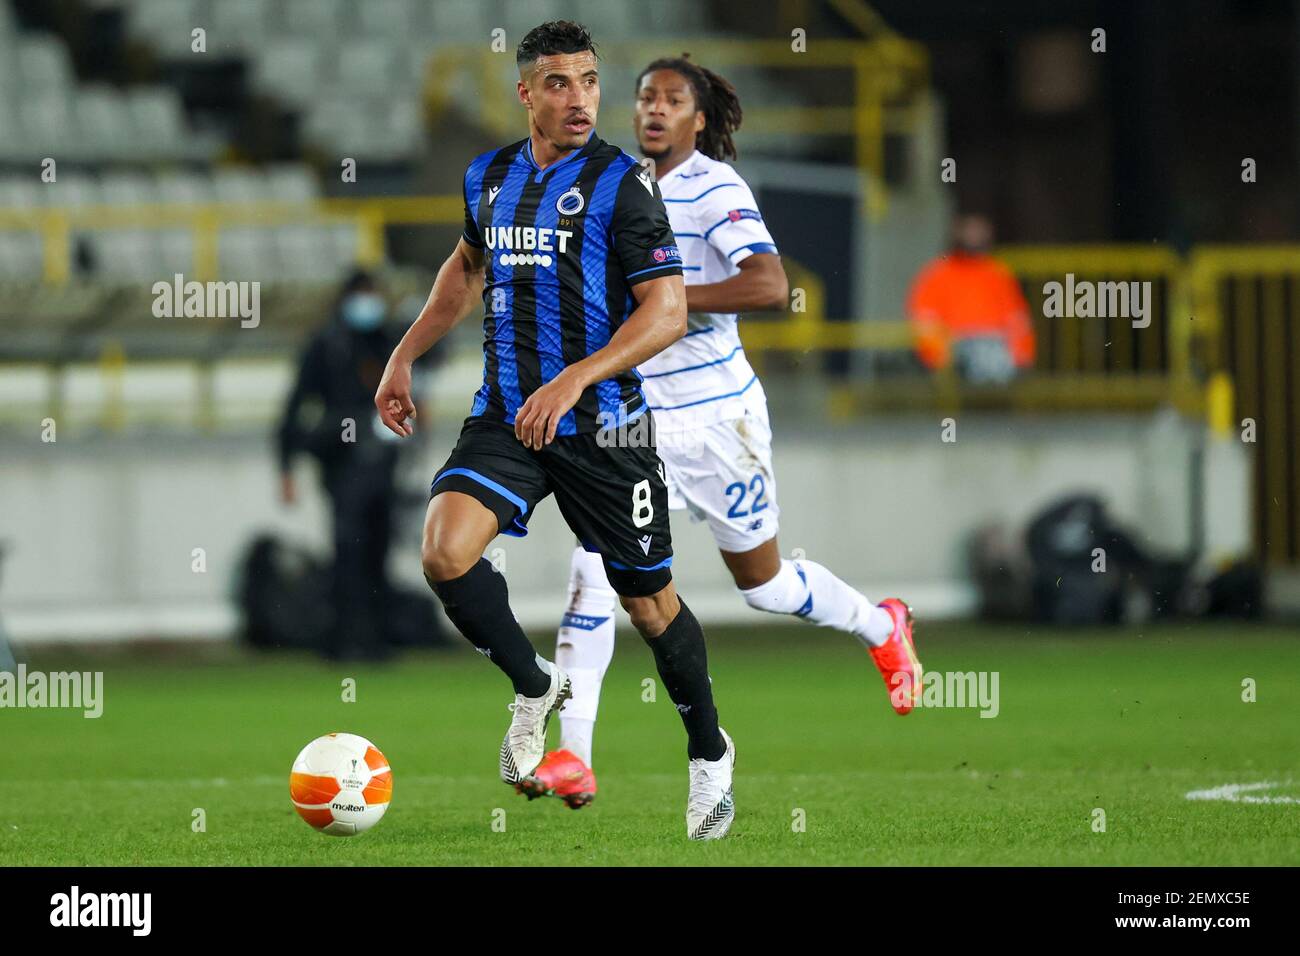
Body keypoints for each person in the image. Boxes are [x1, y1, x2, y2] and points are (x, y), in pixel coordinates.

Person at [524, 56, 923, 810]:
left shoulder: (715, 186)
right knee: (594, 566)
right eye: (646, 97)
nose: (654, 110)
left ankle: (881, 624)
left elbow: (771, 284)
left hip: (718, 419)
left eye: (672, 100)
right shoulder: (617, 186)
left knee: (764, 586)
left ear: (698, 119)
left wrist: (665, 297)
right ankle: (573, 754)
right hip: (639, 419)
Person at [374, 21, 736, 840]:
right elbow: (466, 268)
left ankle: (709, 751)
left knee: (649, 608)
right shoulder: (490, 175)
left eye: (590, 81)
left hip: (605, 428)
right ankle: (536, 685)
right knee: (442, 550)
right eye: (561, 83)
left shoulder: (621, 186)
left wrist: (577, 378)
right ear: (526, 93)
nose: (581, 99)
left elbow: (669, 310)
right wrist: (403, 355)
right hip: (508, 412)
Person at [278, 269, 402, 661]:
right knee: (349, 550)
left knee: (379, 549)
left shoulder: (387, 341)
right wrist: (287, 466)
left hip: (382, 462)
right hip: (341, 460)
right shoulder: (326, 345)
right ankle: (344, 640)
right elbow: (296, 407)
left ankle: (377, 639)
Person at [907, 214, 1035, 383]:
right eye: (969, 230)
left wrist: (1022, 356)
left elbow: (1017, 318)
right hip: (955, 348)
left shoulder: (997, 273)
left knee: (994, 359)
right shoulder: (937, 273)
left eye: (978, 230)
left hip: (995, 346)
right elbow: (925, 319)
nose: (974, 235)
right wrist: (939, 356)